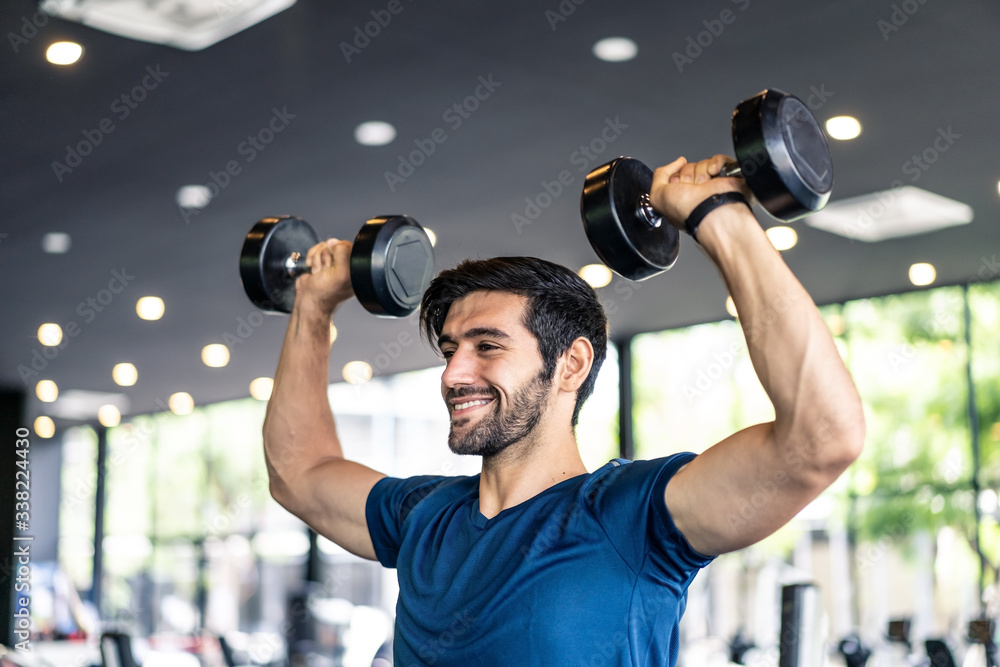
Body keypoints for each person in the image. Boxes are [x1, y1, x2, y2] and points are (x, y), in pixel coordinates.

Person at [262, 155, 866, 666]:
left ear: (571, 365)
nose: (453, 374)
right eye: (449, 350)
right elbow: (299, 472)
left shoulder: (632, 516)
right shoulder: (425, 519)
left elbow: (822, 437)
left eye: (487, 347)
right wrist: (313, 309)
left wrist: (720, 216)